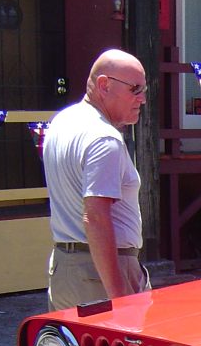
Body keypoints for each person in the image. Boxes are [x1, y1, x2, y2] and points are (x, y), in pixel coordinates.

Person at [44, 49, 151, 310]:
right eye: (135, 89)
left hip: (65, 267)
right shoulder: (104, 138)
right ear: (104, 85)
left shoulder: (62, 122)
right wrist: (120, 297)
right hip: (102, 271)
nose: (142, 99)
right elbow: (96, 218)